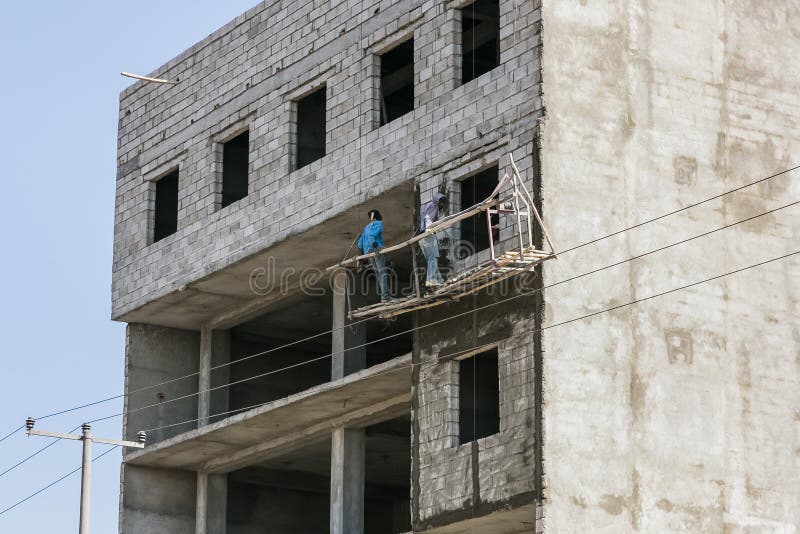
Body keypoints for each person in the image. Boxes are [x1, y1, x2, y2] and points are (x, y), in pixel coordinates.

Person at [358, 209, 393, 302]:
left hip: (368, 253)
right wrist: (375, 246)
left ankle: (384, 296)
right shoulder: (378, 223)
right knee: (383, 273)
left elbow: (359, 244)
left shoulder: (366, 228)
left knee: (378, 274)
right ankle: (386, 296)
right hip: (376, 251)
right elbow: (371, 236)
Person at [419, 192, 447, 288]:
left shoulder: (427, 206)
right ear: (437, 201)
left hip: (422, 237)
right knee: (433, 257)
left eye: (443, 202)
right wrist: (429, 230)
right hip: (428, 235)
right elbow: (428, 218)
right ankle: (431, 279)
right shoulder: (434, 206)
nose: (442, 204)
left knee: (431, 259)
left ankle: (439, 280)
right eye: (441, 202)